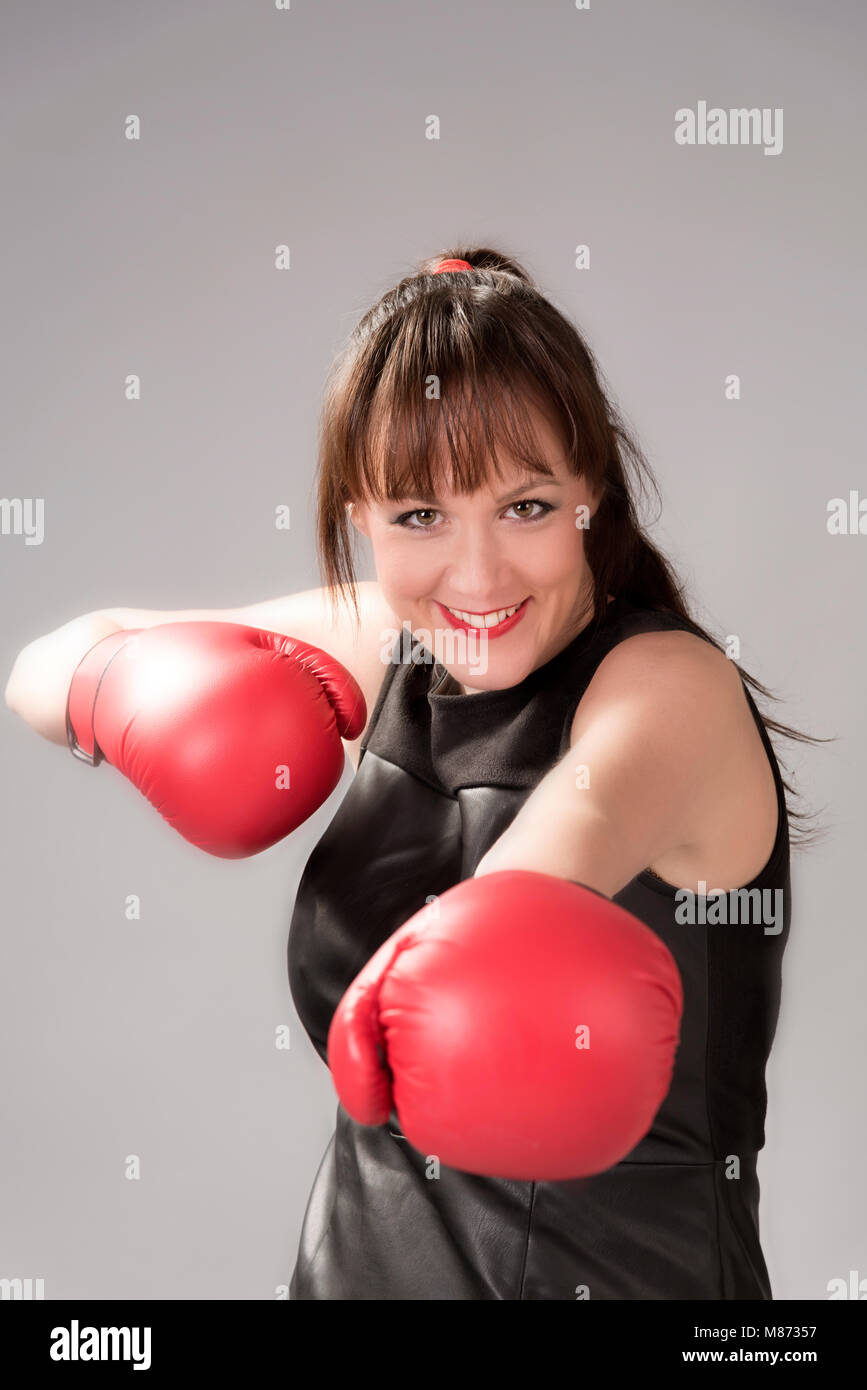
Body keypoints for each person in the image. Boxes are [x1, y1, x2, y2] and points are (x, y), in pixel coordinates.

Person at [5, 247, 822, 1300]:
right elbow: (45, 661)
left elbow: (539, 880)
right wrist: (112, 683)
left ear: (591, 493)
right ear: (360, 515)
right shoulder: (401, 637)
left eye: (526, 506)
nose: (477, 577)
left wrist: (445, 975)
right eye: (419, 517)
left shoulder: (670, 690)